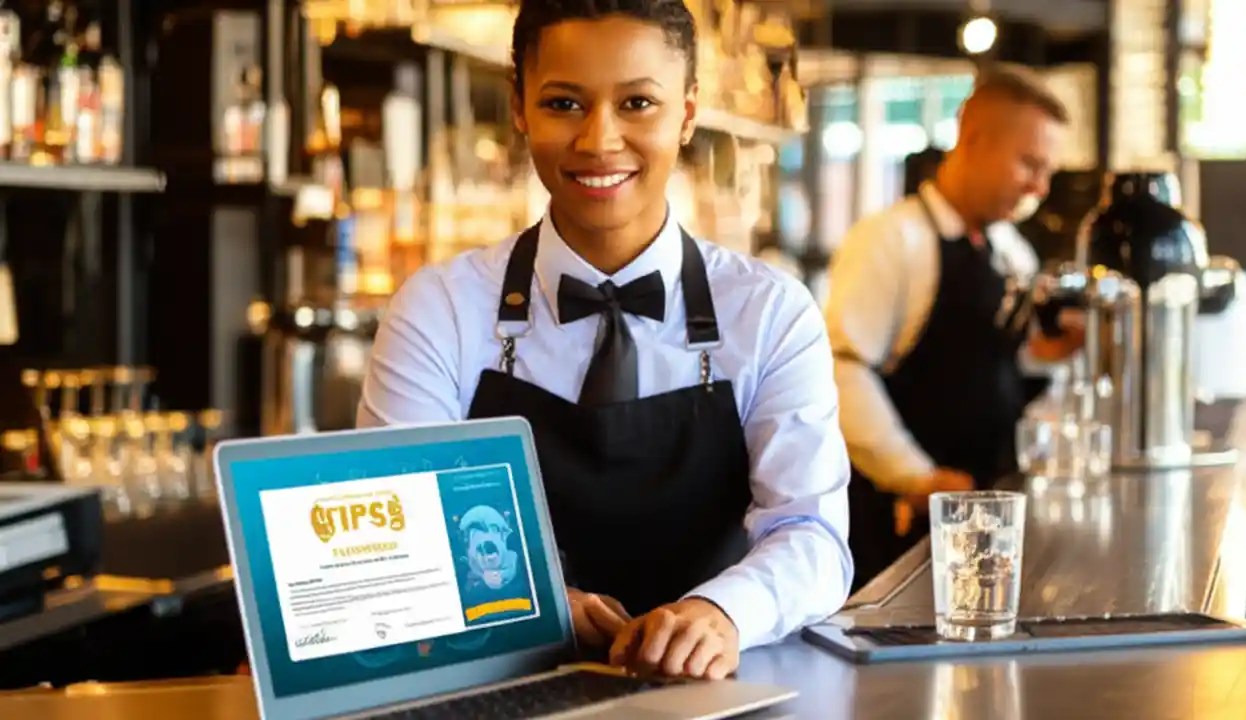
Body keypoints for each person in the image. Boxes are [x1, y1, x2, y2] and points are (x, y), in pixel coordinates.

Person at [357, 0, 852, 680]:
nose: (599, 140)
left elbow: (813, 534)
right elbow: (393, 534)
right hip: (501, 684)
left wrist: (722, 613)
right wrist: (529, 605)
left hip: (706, 690)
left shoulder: (768, 313)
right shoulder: (440, 310)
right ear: (520, 109)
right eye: (564, 103)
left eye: (638, 103)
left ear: (687, 114)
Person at [824, 65, 1082, 591]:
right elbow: (844, 370)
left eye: (1048, 170)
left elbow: (996, 362)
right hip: (903, 519)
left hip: (985, 512)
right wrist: (916, 476)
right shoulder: (890, 240)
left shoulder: (1013, 249)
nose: (1040, 186)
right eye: (1029, 164)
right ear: (975, 140)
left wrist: (1050, 354)